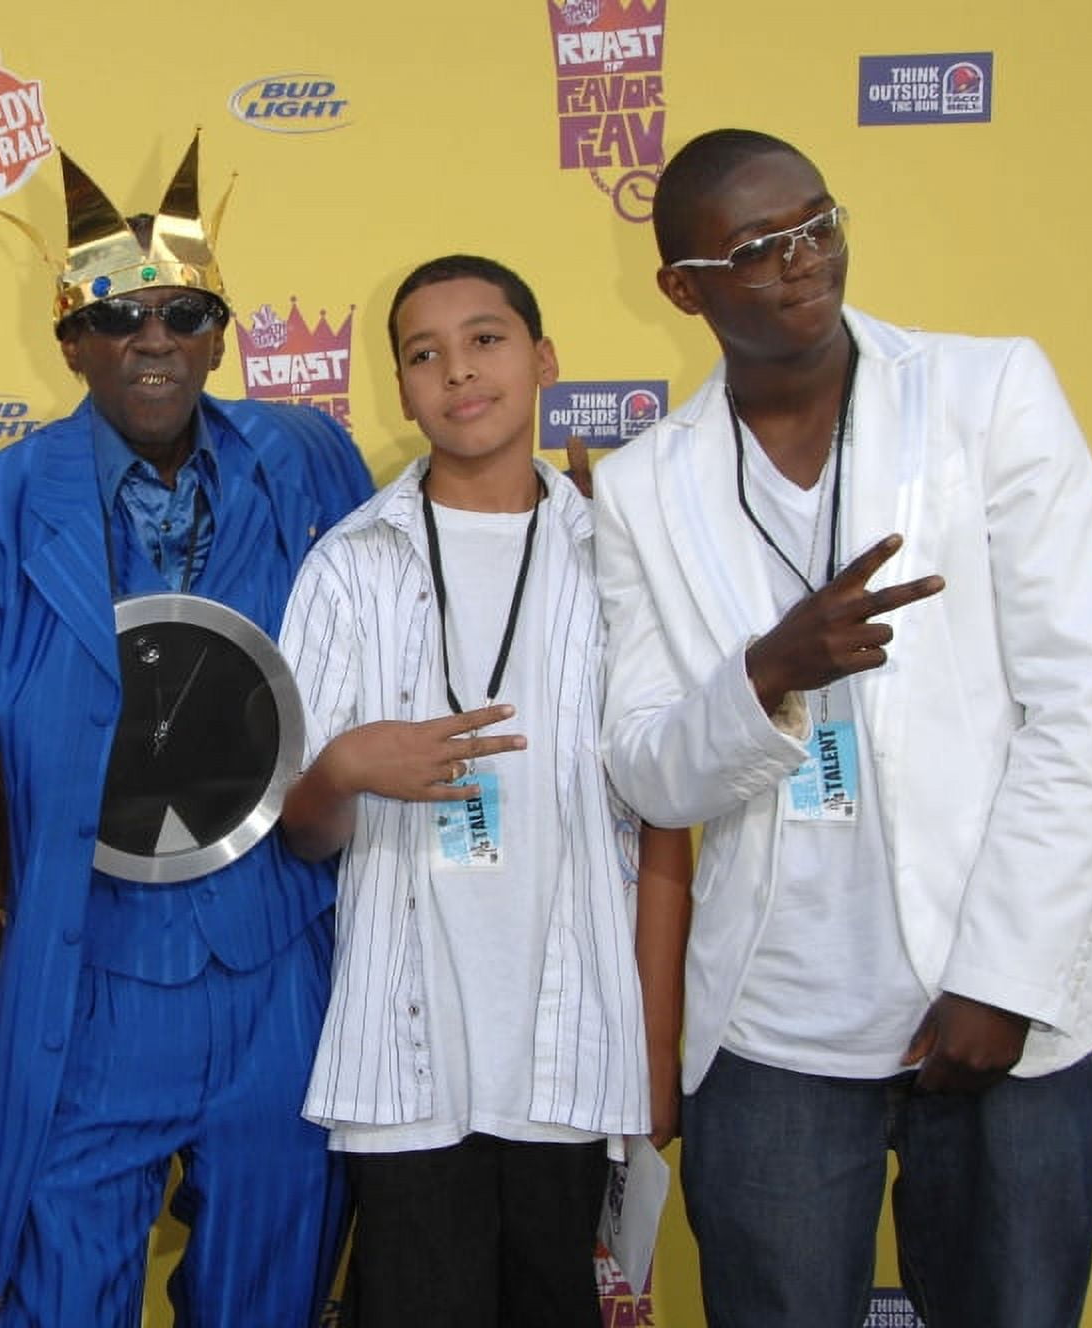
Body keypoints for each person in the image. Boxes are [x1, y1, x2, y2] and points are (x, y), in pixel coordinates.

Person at [0, 135, 374, 1325]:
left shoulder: (308, 457)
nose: (150, 339)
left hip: (279, 949)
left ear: (218, 334)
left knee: (271, 1293)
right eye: (115, 317)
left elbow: (389, 625)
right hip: (91, 962)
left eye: (181, 313)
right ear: (69, 341)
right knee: (61, 1293)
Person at [591, 127, 1092, 1328]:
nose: (802, 260)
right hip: (779, 1027)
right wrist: (764, 672)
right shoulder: (641, 485)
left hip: (1009, 1004)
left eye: (818, 224)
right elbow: (646, 766)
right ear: (681, 289)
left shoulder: (984, 394)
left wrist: (1001, 979)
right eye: (757, 248)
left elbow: (1075, 707)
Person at [277, 255, 692, 1324]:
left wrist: (654, 1042)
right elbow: (299, 829)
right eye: (425, 354)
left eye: (485, 339)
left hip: (571, 1046)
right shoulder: (349, 565)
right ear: (400, 389)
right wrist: (344, 767)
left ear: (543, 358)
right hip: (403, 1054)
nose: (458, 370)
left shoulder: (616, 559)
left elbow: (663, 813)